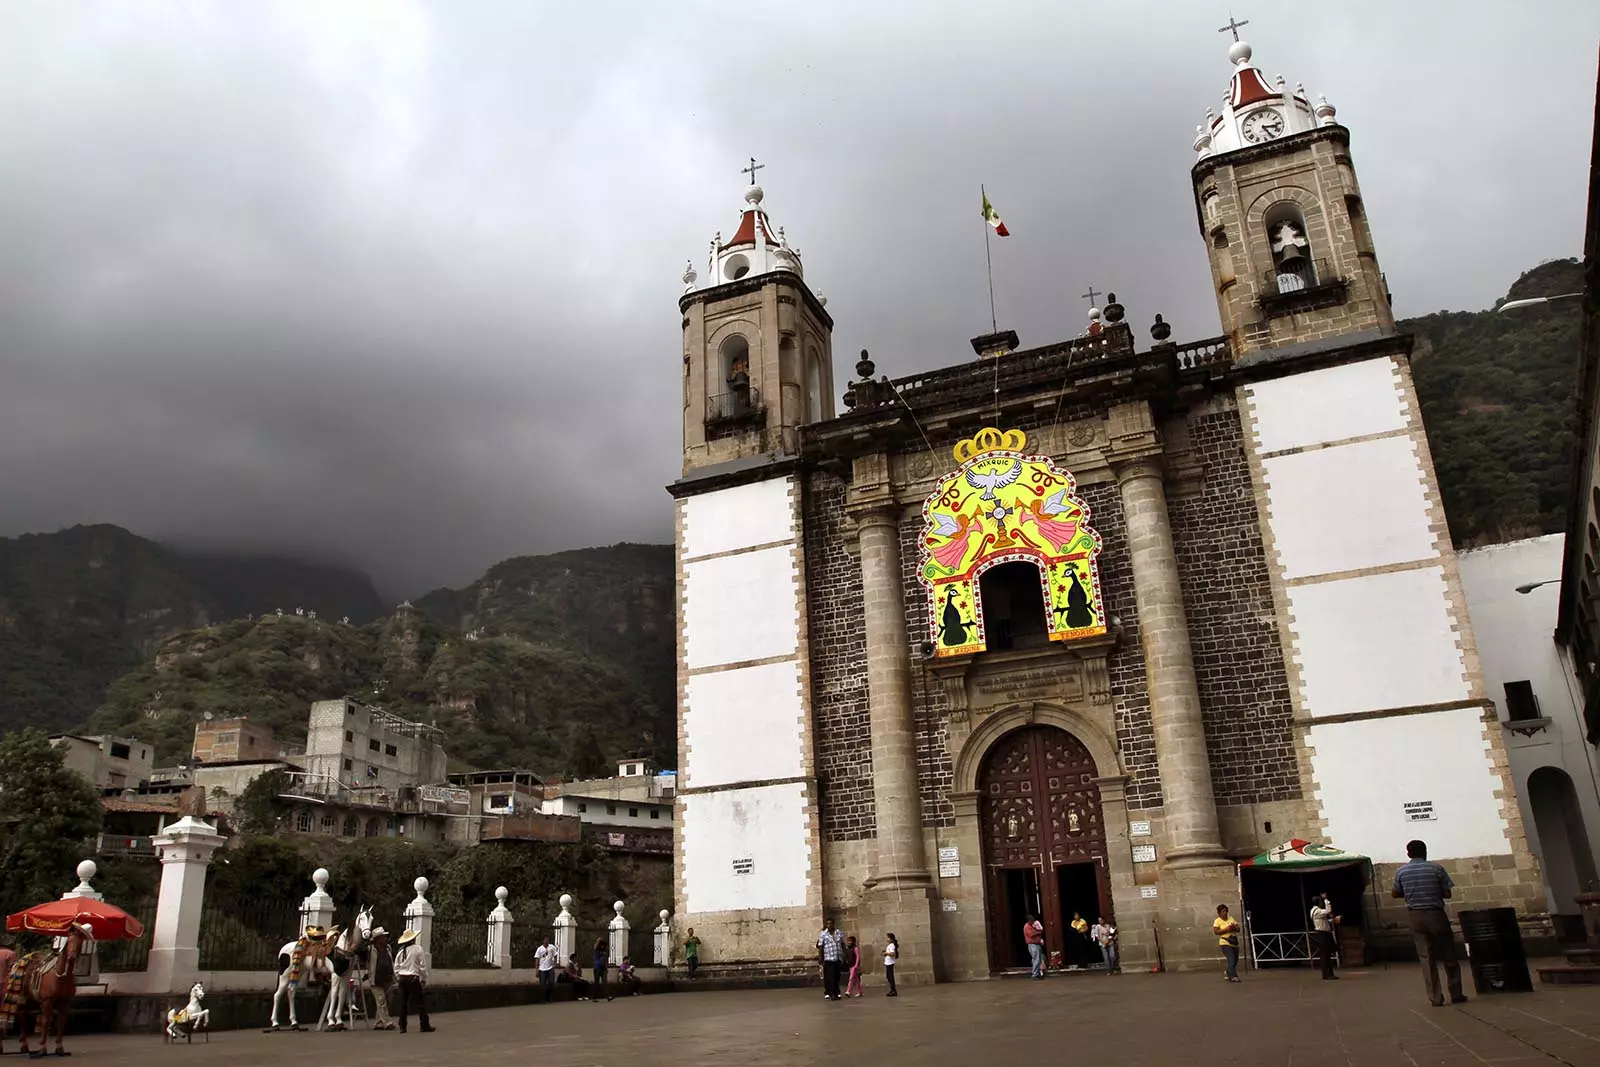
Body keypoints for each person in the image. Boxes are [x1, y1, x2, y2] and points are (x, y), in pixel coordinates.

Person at [1393, 839, 1467, 1007]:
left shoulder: (1401, 872)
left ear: (1408, 853)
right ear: (1425, 852)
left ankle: (1435, 997)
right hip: (1436, 914)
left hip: (1415, 916)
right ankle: (1456, 993)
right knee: (1449, 953)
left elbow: (1395, 893)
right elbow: (1447, 893)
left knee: (1426, 957)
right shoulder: (1437, 869)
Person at [392, 928, 435, 1033]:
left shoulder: (401, 951)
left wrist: (398, 977)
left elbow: (396, 967)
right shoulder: (418, 949)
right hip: (412, 978)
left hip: (402, 978)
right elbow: (422, 966)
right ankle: (424, 1025)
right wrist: (424, 978)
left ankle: (402, 1026)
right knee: (420, 1003)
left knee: (403, 1003)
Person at [1310, 893, 1339, 981]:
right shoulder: (1317, 911)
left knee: (1327, 954)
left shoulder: (1316, 911)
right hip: (1322, 934)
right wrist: (1326, 899)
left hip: (1324, 933)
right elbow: (1328, 911)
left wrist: (1332, 920)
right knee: (1325, 955)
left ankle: (1329, 973)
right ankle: (1326, 974)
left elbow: (1324, 920)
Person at [817, 919, 845, 1001]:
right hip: (828, 958)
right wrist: (820, 958)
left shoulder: (838, 933)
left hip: (837, 958)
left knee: (837, 977)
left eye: (830, 923)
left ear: (833, 924)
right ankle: (832, 993)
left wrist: (845, 954)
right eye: (827, 923)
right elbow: (820, 946)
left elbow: (842, 944)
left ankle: (837, 992)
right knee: (831, 977)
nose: (829, 925)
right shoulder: (823, 934)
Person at [1213, 904, 1242, 983]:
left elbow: (1238, 929)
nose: (1225, 913)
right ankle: (1234, 976)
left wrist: (1234, 927)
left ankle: (1228, 972)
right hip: (1225, 942)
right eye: (1223, 911)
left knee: (1235, 960)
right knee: (1231, 958)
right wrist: (1226, 929)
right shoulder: (1217, 921)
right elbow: (1216, 932)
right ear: (1219, 913)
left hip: (1234, 942)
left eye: (1226, 911)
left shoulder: (1231, 918)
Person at [1022, 913, 1046, 979]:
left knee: (1038, 959)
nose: (1033, 921)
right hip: (1033, 945)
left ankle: (1037, 973)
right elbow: (1031, 934)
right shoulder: (1027, 926)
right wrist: (1038, 932)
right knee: (1036, 959)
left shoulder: (1032, 925)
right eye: (1031, 919)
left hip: (1037, 944)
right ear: (1029, 920)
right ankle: (1035, 974)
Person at [535, 936, 558, 1002]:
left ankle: (549, 996)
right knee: (542, 983)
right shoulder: (539, 949)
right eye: (545, 940)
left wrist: (555, 963)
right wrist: (537, 970)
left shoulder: (552, 947)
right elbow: (537, 959)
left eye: (547, 939)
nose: (546, 941)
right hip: (542, 968)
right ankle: (542, 998)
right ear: (543, 941)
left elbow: (555, 955)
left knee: (551, 982)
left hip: (550, 967)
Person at [593, 936, 613, 1002]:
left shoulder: (605, 952)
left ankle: (608, 996)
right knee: (597, 983)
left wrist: (606, 968)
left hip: (603, 968)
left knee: (605, 982)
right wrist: (598, 940)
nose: (603, 946)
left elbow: (605, 961)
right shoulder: (596, 951)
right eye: (601, 945)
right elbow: (595, 946)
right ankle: (595, 997)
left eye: (603, 945)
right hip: (597, 968)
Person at [883, 932, 899, 997]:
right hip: (888, 962)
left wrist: (886, 953)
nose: (887, 939)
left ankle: (893, 990)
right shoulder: (890, 945)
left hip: (890, 963)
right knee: (888, 976)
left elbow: (893, 954)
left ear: (892, 939)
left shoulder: (891, 945)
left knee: (890, 977)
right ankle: (892, 990)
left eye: (888, 938)